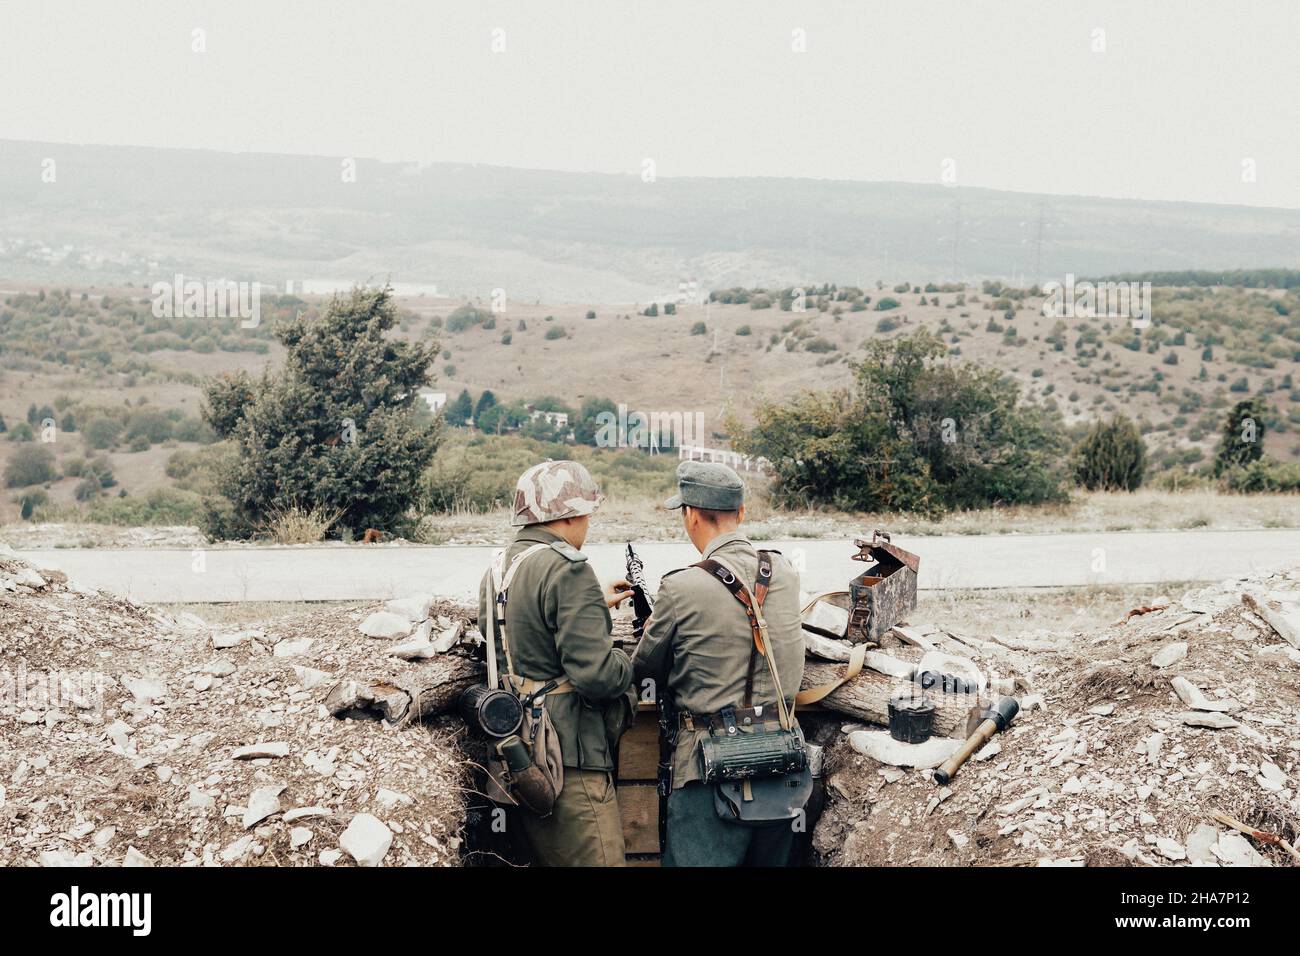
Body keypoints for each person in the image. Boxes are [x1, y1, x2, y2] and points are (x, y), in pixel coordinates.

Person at [632, 460, 806, 866]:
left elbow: (644, 669)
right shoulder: (782, 571)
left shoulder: (681, 586)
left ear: (690, 515)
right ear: (742, 513)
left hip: (707, 772)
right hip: (781, 767)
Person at [477, 459, 636, 866]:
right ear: (571, 515)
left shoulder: (499, 568)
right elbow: (598, 678)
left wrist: (591, 605)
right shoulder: (569, 569)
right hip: (570, 757)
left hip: (519, 750)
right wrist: (627, 656)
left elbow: (526, 633)